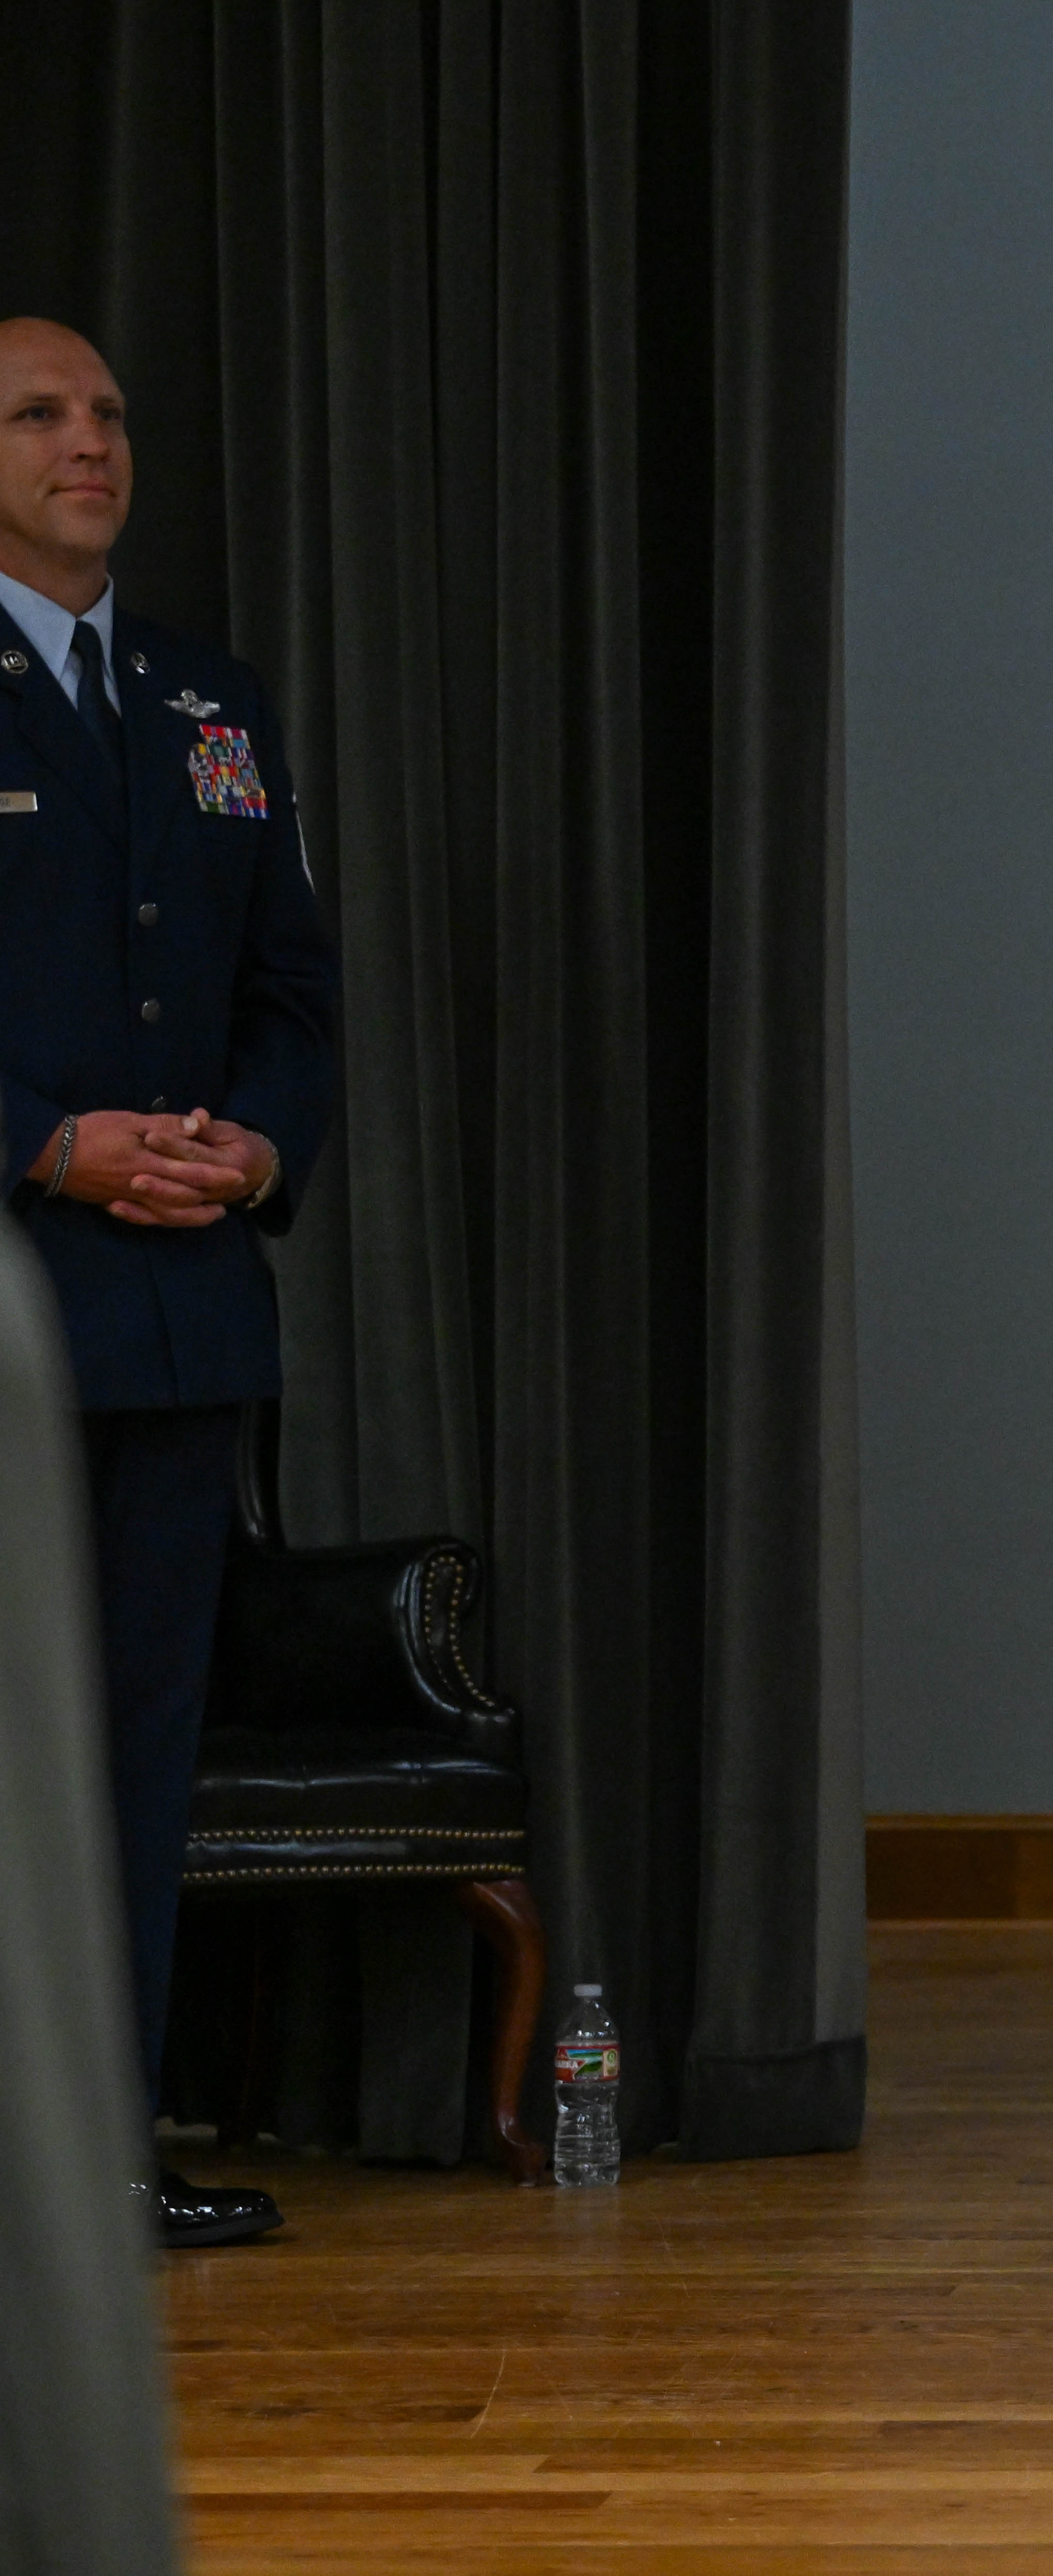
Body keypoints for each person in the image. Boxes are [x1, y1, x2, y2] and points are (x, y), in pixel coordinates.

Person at [0, 317, 340, 2251]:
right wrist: (48, 1145)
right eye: (40, 414)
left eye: (112, 414)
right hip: (16, 1296)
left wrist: (257, 1149)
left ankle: (107, 2157)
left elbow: (292, 988)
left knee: (138, 1758)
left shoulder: (208, 697)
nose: (91, 443)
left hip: (176, 1319)